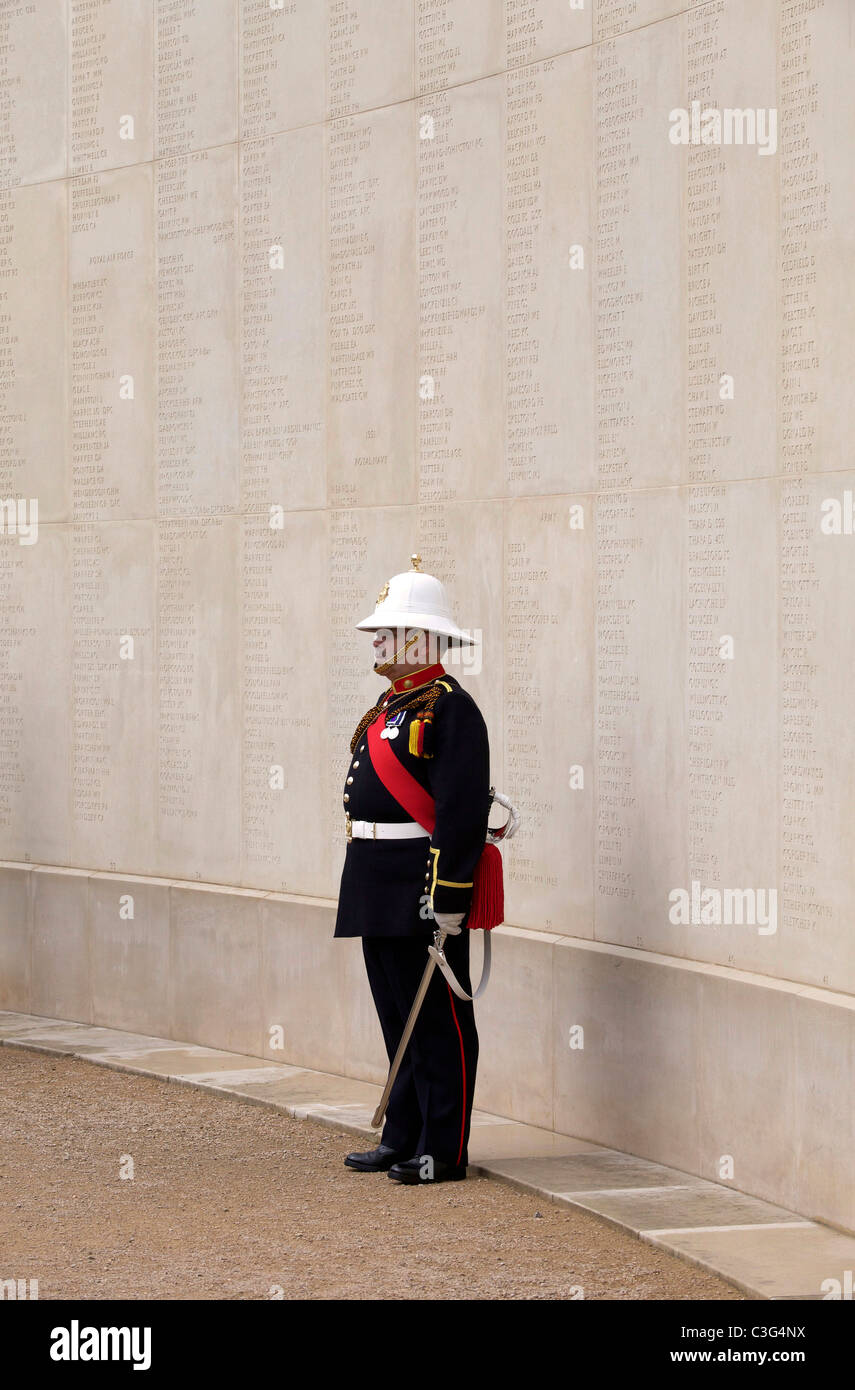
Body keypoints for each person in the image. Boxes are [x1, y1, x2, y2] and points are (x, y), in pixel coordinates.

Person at [333, 555, 491, 1184]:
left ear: (420, 638)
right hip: (376, 880)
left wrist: (449, 895)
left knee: (439, 1023)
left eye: (388, 630)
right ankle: (402, 1136)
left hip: (424, 887)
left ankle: (443, 1148)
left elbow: (460, 811)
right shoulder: (388, 706)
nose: (377, 640)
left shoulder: (451, 709)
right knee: (397, 1018)